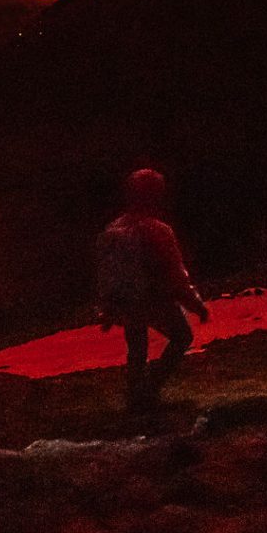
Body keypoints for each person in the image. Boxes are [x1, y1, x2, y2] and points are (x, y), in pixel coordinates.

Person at [96, 168, 209, 411]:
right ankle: (149, 389)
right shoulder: (157, 230)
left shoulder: (113, 229)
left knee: (136, 347)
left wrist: (108, 305)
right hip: (154, 297)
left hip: (126, 299)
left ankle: (136, 396)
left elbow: (106, 271)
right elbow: (174, 273)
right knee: (182, 336)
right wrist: (195, 303)